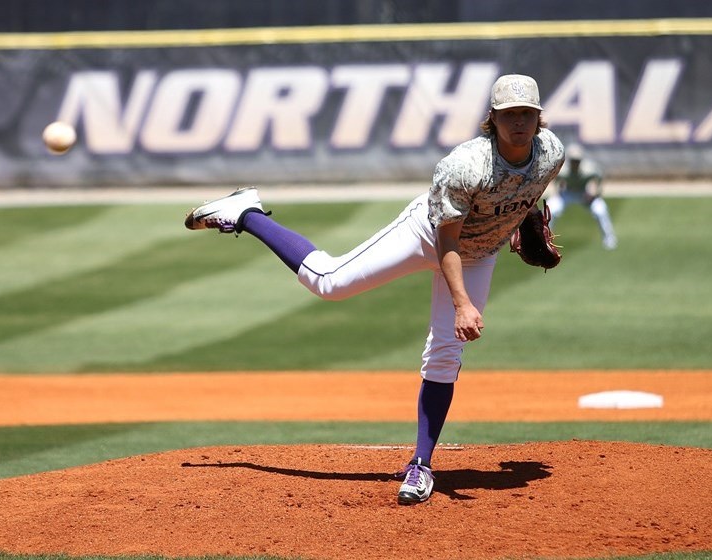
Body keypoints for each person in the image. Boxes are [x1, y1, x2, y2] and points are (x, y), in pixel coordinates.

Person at [184, 74, 565, 505]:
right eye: (510, 114)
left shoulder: (551, 153)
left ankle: (421, 465)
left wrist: (522, 223)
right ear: (492, 119)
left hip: (480, 251)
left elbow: (527, 190)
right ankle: (247, 212)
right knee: (329, 282)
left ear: (539, 118)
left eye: (527, 114)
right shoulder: (465, 165)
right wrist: (461, 303)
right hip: (429, 235)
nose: (519, 122)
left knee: (445, 353)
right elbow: (447, 241)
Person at [546, 143, 618, 250]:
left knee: (600, 209)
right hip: (568, 192)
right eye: (573, 160)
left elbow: (599, 179)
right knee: (551, 208)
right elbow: (555, 181)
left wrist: (594, 192)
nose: (575, 163)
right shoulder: (562, 170)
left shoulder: (589, 169)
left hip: (584, 192)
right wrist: (556, 193)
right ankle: (545, 239)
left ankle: (609, 239)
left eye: (577, 160)